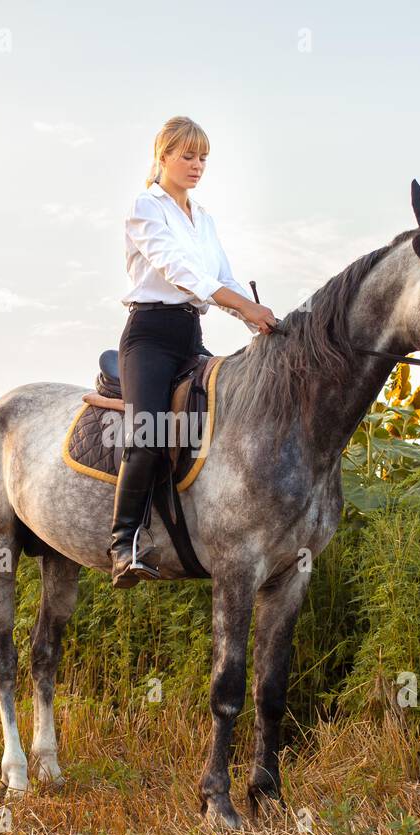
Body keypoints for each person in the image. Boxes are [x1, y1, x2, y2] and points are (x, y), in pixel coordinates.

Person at [111, 115, 277, 588]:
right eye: (187, 156)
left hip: (190, 335)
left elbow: (221, 277)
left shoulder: (203, 219)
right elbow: (182, 272)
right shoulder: (147, 206)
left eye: (203, 157)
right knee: (148, 432)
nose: (197, 165)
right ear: (162, 156)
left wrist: (259, 318)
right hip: (150, 335)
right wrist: (243, 304)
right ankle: (124, 543)